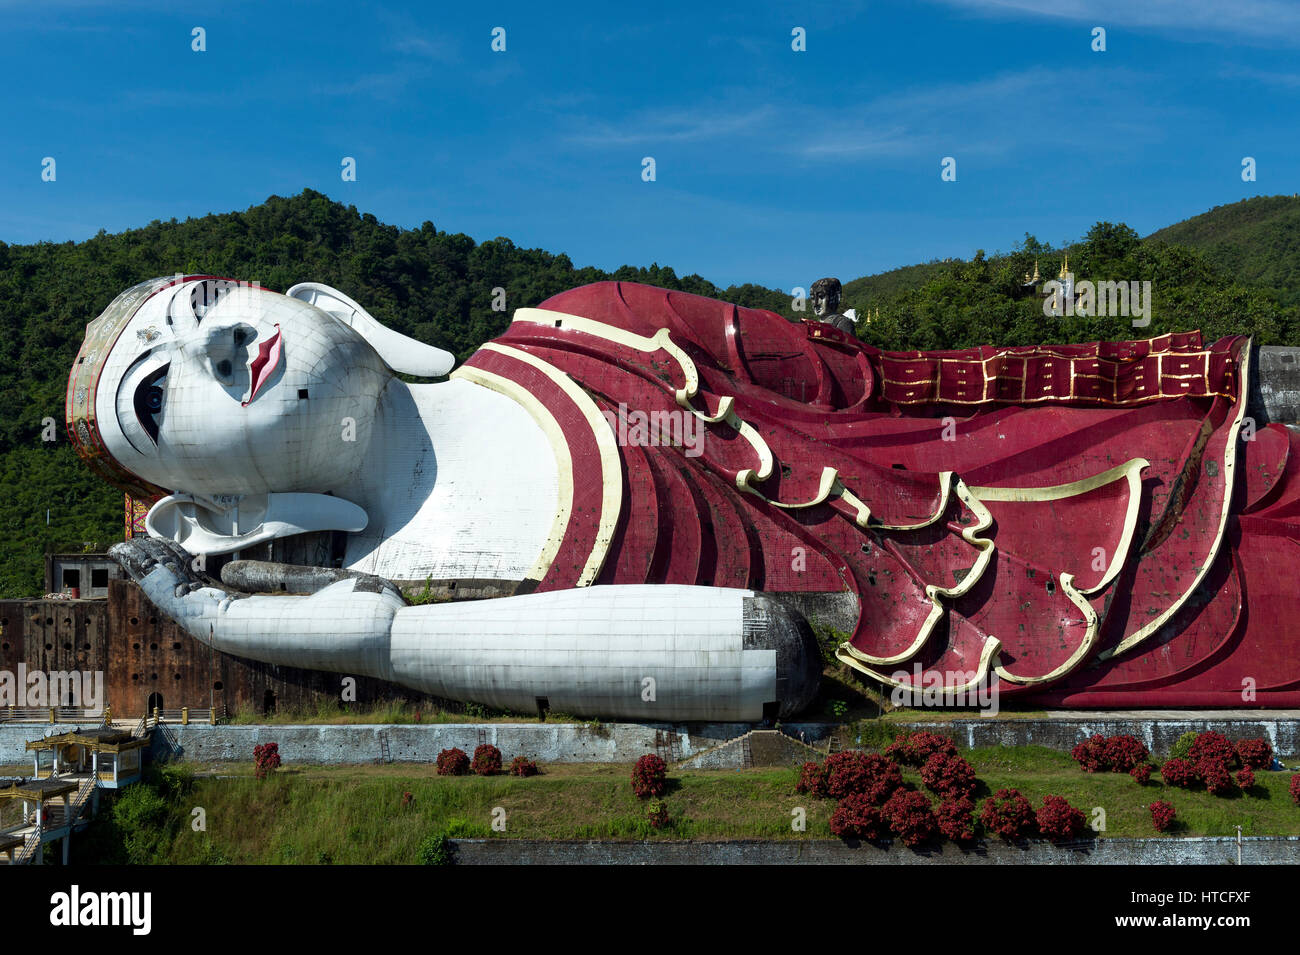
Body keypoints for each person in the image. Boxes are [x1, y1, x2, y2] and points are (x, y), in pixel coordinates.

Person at [71, 275, 1300, 717]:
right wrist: (273, 623)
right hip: (996, 648)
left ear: (326, 304)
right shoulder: (412, 593)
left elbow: (892, 384)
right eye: (162, 399)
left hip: (1045, 481)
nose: (218, 352)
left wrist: (1138, 370)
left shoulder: (594, 327)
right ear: (215, 509)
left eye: (205, 310)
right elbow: (756, 656)